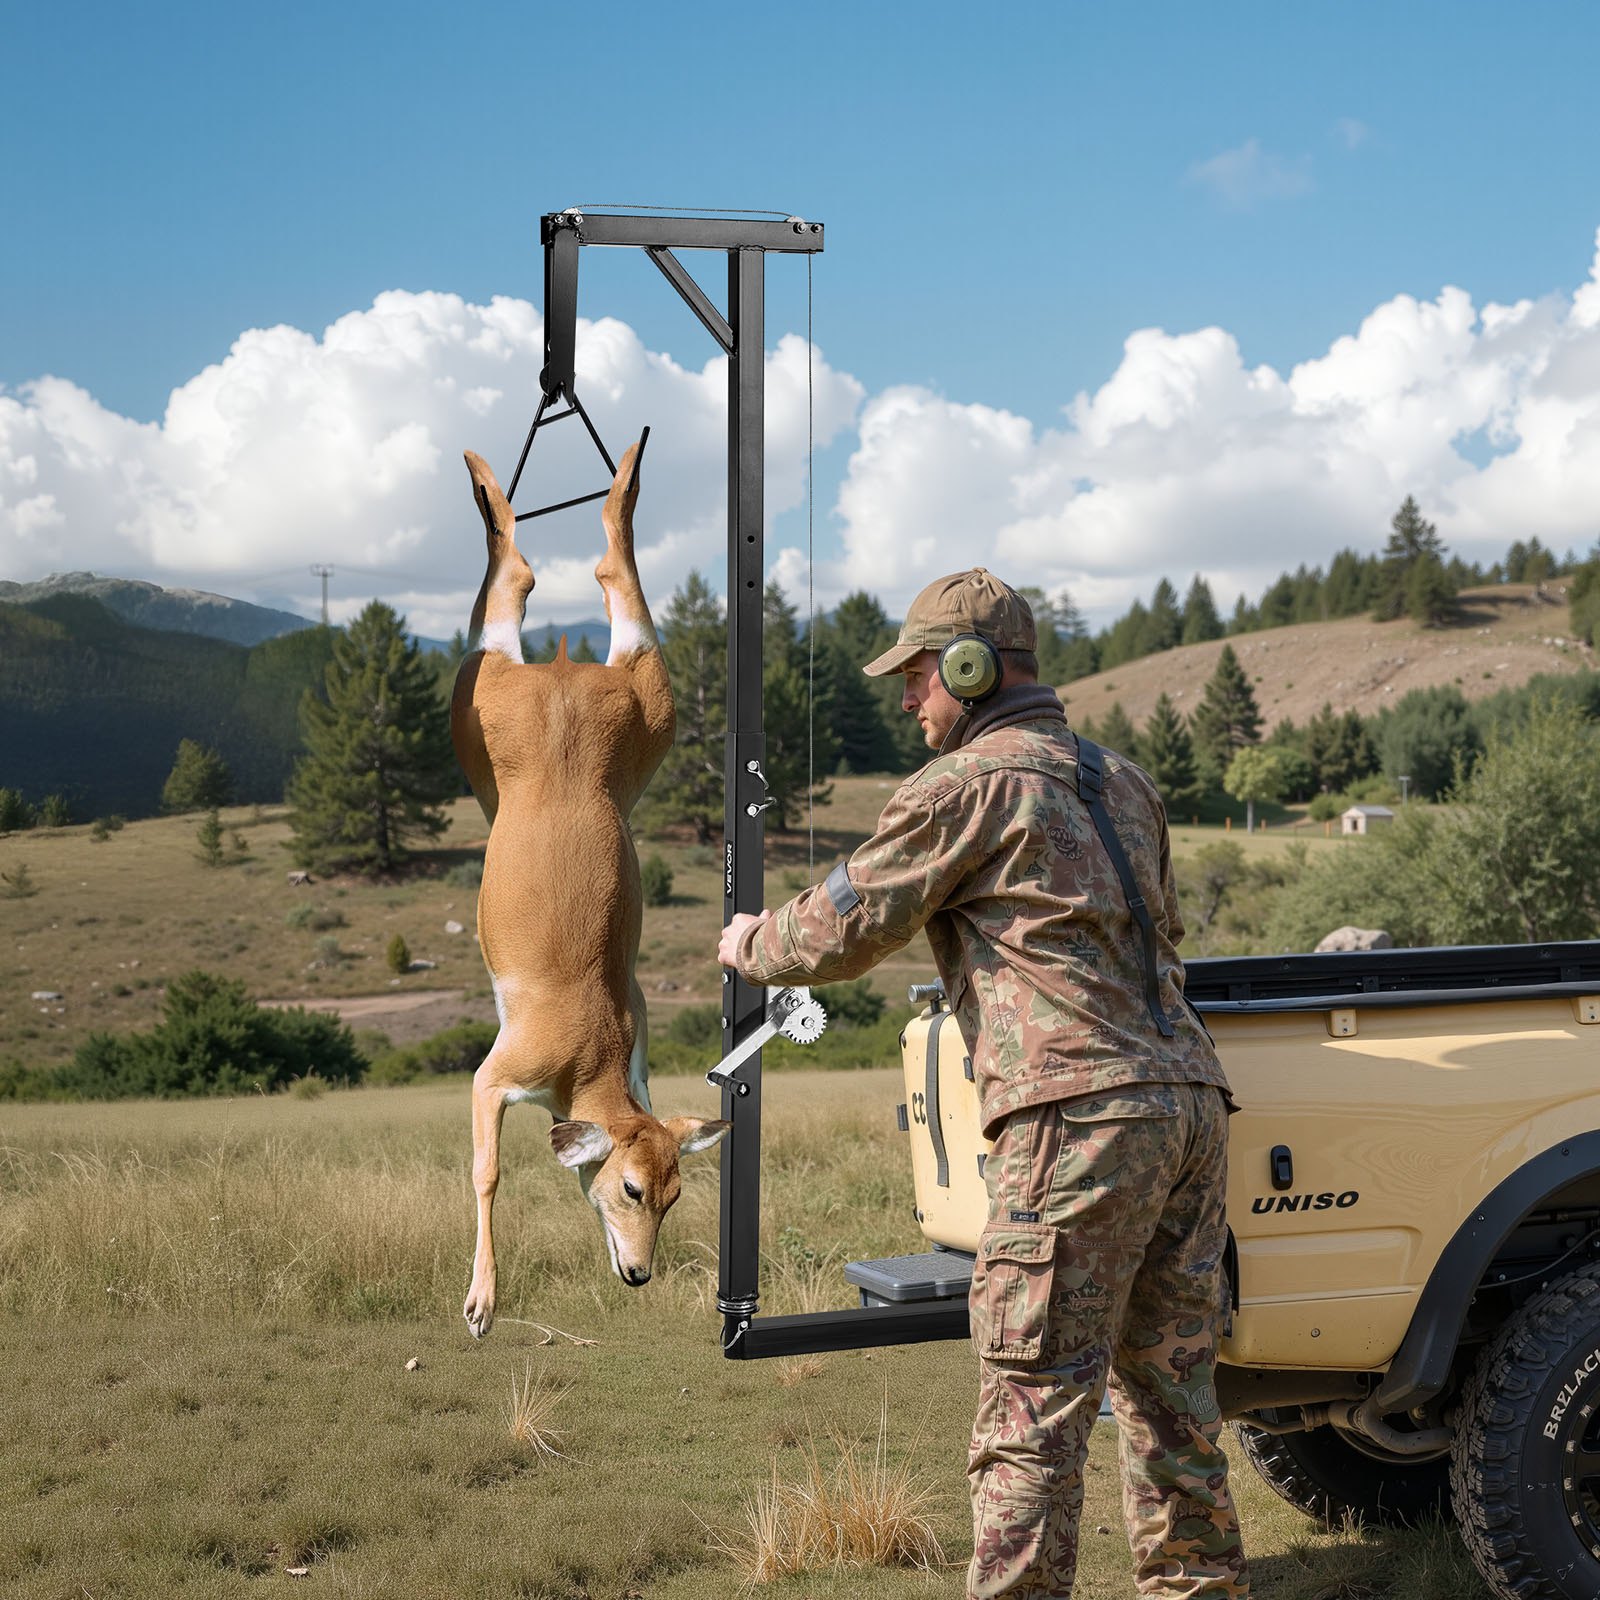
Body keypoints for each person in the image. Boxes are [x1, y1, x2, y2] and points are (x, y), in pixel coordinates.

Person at [716, 568, 1250, 1599]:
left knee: (1029, 1418)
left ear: (970, 669)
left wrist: (751, 944)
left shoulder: (963, 786)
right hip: (1188, 1107)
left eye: (918, 675)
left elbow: (836, 930)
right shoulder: (1127, 781)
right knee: (1174, 1408)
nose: (906, 698)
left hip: (1074, 1120)